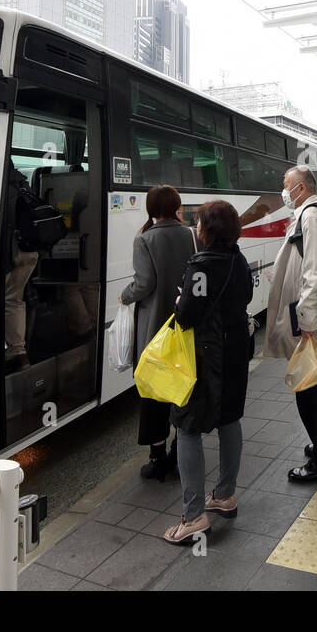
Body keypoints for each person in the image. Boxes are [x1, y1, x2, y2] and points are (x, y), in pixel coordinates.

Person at [162, 200, 253, 544]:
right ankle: (225, 495)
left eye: (199, 222)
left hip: (205, 358)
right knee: (230, 419)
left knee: (187, 428)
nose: (196, 228)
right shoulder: (239, 260)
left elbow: (187, 315)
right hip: (235, 352)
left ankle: (194, 515)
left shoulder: (201, 265)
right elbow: (242, 297)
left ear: (208, 229)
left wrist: (181, 299)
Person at [265, 165, 317, 483]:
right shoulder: (309, 214)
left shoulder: (311, 216)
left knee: (311, 389)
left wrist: (307, 318)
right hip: (311, 319)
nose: (283, 191)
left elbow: (315, 270)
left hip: (313, 322)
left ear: (301, 187)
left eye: (286, 185)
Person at [119, 184, 196, 481]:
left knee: (153, 391)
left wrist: (125, 296)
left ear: (151, 209)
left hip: (155, 329)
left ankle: (158, 456)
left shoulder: (145, 239)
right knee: (182, 385)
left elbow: (144, 284)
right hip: (184, 323)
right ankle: (181, 450)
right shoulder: (190, 234)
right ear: (176, 205)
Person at [0, 166, 40, 373]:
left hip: (11, 253)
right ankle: (18, 350)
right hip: (30, 251)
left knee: (8, 301)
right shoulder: (23, 184)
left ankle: (17, 352)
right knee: (15, 299)